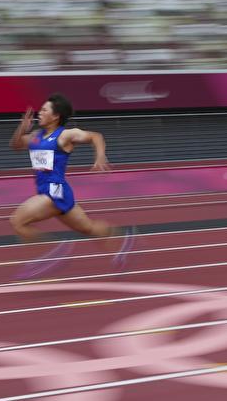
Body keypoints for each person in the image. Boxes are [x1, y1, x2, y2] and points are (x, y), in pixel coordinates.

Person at [9, 93, 135, 279]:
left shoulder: (64, 135)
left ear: (55, 116)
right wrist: (22, 129)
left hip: (54, 191)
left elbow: (95, 136)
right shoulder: (36, 136)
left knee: (17, 221)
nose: (39, 113)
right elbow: (15, 145)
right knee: (89, 228)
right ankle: (125, 238)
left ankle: (55, 250)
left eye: (44, 110)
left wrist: (100, 156)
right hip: (57, 192)